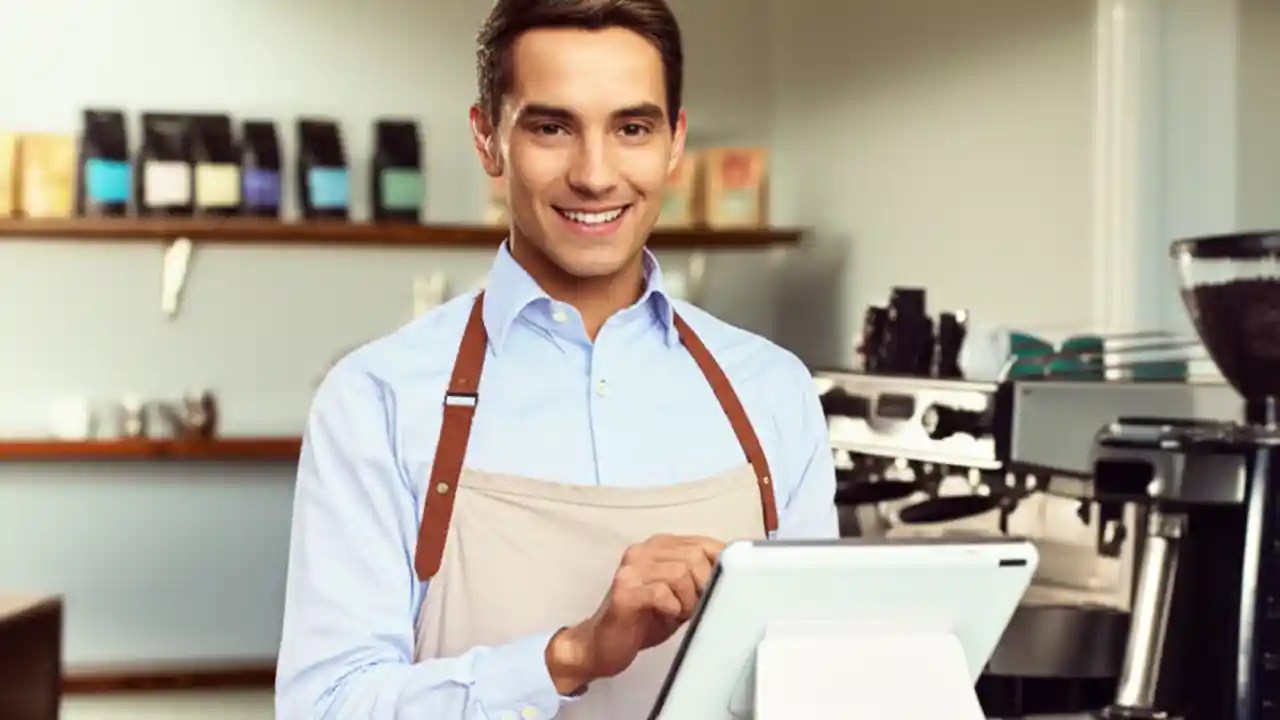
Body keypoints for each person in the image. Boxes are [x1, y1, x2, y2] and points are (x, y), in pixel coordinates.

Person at [273, 1, 838, 718]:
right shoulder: (375, 399)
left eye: (632, 128)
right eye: (551, 127)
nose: (596, 175)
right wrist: (570, 656)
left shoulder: (774, 393)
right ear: (488, 140)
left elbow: (822, 680)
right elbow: (326, 707)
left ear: (673, 144)